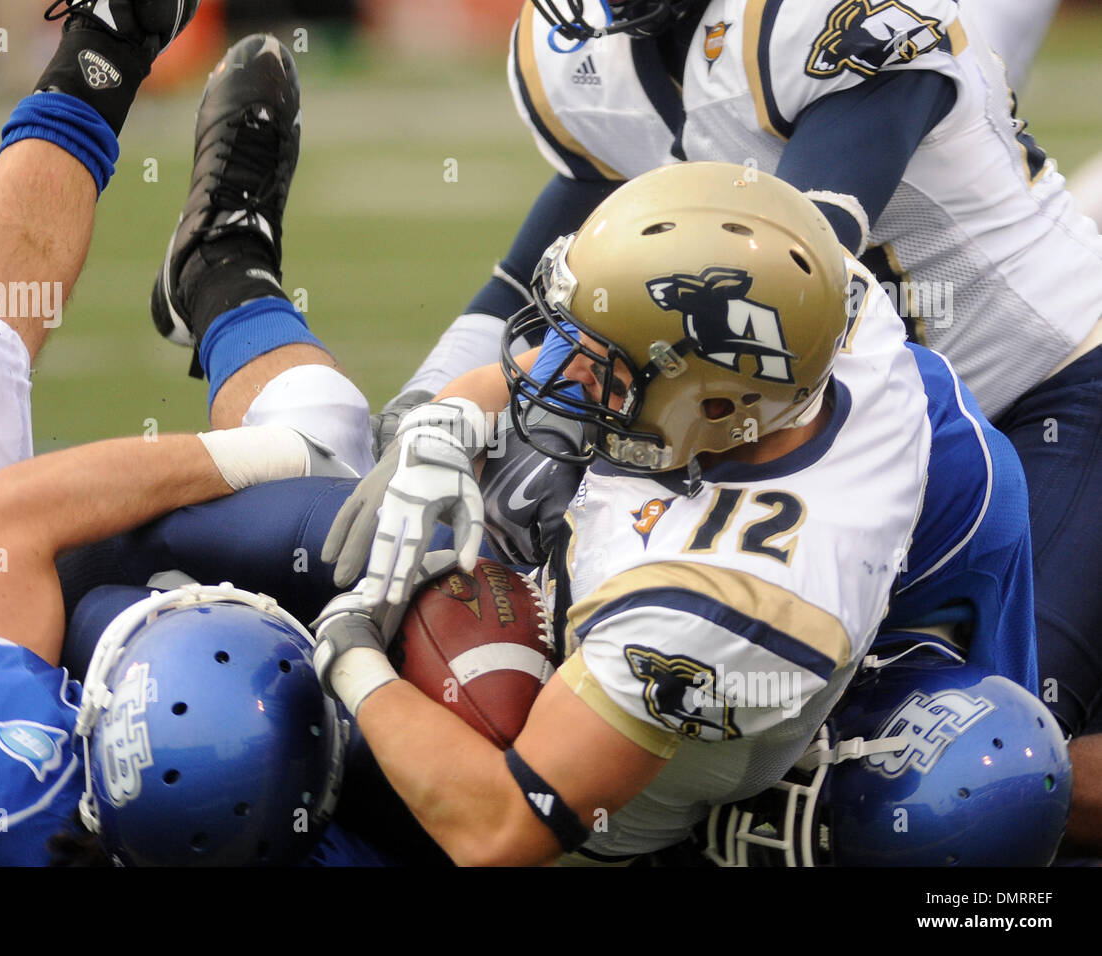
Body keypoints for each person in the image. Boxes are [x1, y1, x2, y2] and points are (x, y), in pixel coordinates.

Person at [373, 0, 1102, 854]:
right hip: (816, 431)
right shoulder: (579, 52)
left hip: (1040, 396)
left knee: (980, 769)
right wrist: (427, 418)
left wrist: (541, 431)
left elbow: (763, 309)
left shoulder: (820, 19)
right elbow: (570, 238)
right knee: (740, 730)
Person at [0, 1, 383, 866]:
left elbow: (7, 516)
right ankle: (222, 265)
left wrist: (279, 459)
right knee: (346, 470)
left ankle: (108, 40)